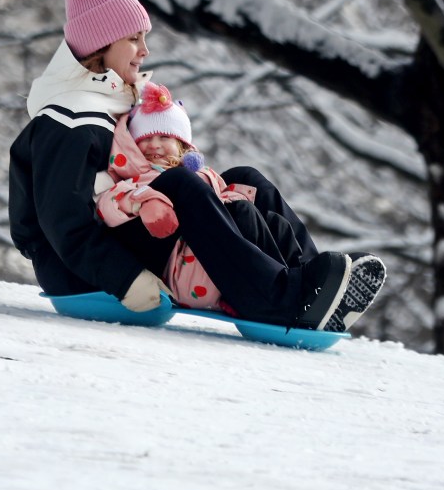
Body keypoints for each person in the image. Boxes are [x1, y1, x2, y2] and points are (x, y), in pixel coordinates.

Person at [8, 0, 386, 333]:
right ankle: (281, 300)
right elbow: (61, 220)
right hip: (77, 269)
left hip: (119, 234)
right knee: (178, 183)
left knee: (245, 180)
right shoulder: (68, 119)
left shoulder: (111, 104)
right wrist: (124, 278)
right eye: (134, 39)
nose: (145, 50)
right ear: (101, 45)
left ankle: (310, 282)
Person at [94, 81, 316, 317]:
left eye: (164, 137)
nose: (154, 145)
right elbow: (110, 202)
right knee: (229, 205)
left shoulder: (201, 175)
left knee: (250, 193)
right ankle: (280, 295)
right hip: (180, 269)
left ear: (181, 146)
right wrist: (144, 201)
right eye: (146, 139)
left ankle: (311, 273)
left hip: (208, 260)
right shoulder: (134, 176)